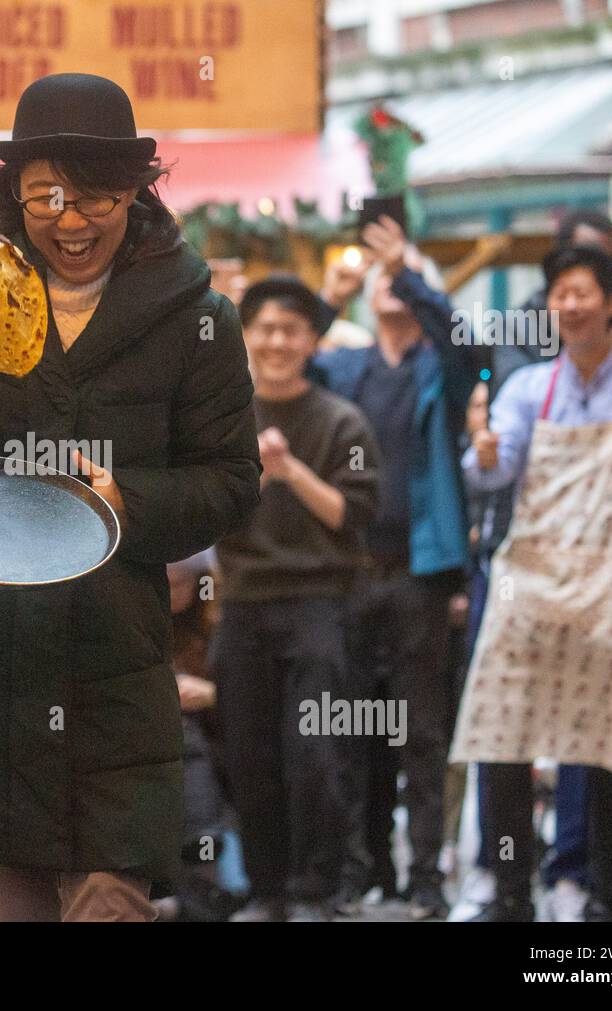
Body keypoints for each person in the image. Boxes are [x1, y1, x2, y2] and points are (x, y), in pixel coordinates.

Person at [0, 72, 261, 922]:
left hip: (111, 654)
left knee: (111, 900)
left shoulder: (197, 316)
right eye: (48, 198)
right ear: (16, 191)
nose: (72, 223)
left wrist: (127, 498)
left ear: (137, 193)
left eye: (98, 199)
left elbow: (229, 478)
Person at [453, 245, 612, 921]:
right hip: (529, 589)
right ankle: (510, 895)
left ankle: (602, 899)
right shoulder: (526, 389)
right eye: (559, 292)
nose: (569, 303)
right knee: (499, 737)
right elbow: (490, 475)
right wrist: (480, 453)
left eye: (583, 291)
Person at [315, 215, 480, 920]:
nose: (388, 283)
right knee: (352, 722)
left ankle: (426, 880)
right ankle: (360, 868)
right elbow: (283, 363)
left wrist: (409, 271)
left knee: (421, 728)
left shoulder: (438, 364)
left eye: (401, 276)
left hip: (420, 567)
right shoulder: (346, 364)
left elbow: (465, 344)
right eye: (380, 278)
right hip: (347, 567)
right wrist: (329, 297)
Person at [212, 276, 380, 921]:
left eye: (292, 330)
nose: (278, 341)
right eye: (266, 329)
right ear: (246, 338)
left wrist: (289, 471)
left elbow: (350, 514)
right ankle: (268, 889)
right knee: (249, 754)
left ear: (314, 340)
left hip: (321, 604)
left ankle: (319, 890)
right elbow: (208, 514)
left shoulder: (342, 421)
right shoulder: (221, 422)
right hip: (244, 603)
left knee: (316, 754)